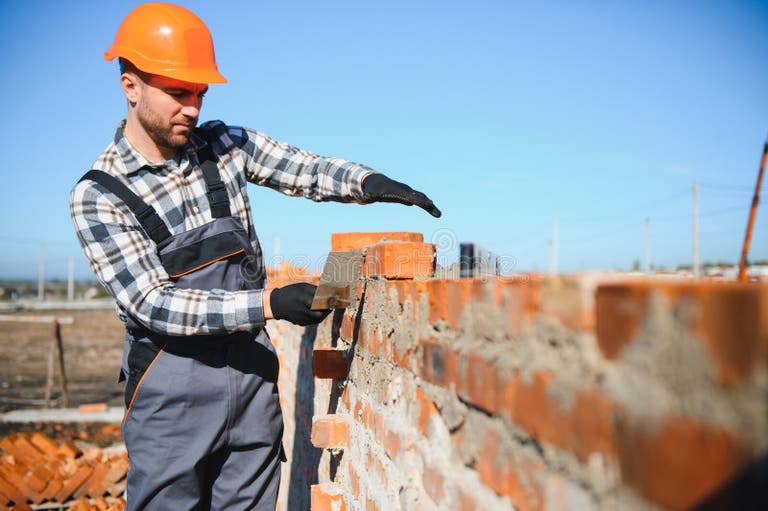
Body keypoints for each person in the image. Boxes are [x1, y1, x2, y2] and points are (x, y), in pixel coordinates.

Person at [69, 2, 440, 510]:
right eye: (178, 93)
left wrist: (367, 182)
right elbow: (153, 303)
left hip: (251, 386)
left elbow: (303, 169)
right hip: (169, 398)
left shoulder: (224, 145)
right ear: (130, 85)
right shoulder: (99, 194)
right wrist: (267, 304)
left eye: (199, 93)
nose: (193, 109)